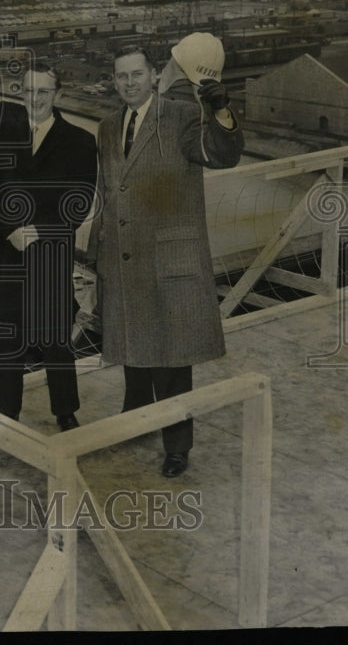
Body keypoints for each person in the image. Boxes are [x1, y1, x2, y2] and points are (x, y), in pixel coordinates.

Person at [89, 44, 243, 478]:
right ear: (114, 81)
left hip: (168, 257)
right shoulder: (106, 126)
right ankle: (136, 419)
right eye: (121, 77)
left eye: (137, 74)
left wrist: (222, 112)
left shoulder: (180, 116)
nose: (129, 83)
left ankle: (177, 446)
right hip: (123, 258)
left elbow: (221, 154)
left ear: (155, 75)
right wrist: (95, 256)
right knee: (133, 351)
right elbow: (107, 194)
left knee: (172, 359)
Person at [0, 62, 97, 430]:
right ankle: (6, 413)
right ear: (20, 92)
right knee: (6, 340)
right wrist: (10, 227)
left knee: (56, 341)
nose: (36, 99)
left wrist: (38, 230)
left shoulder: (79, 141)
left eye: (44, 92)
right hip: (2, 255)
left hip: (47, 255)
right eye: (29, 91)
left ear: (57, 94)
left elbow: (79, 201)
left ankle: (65, 413)